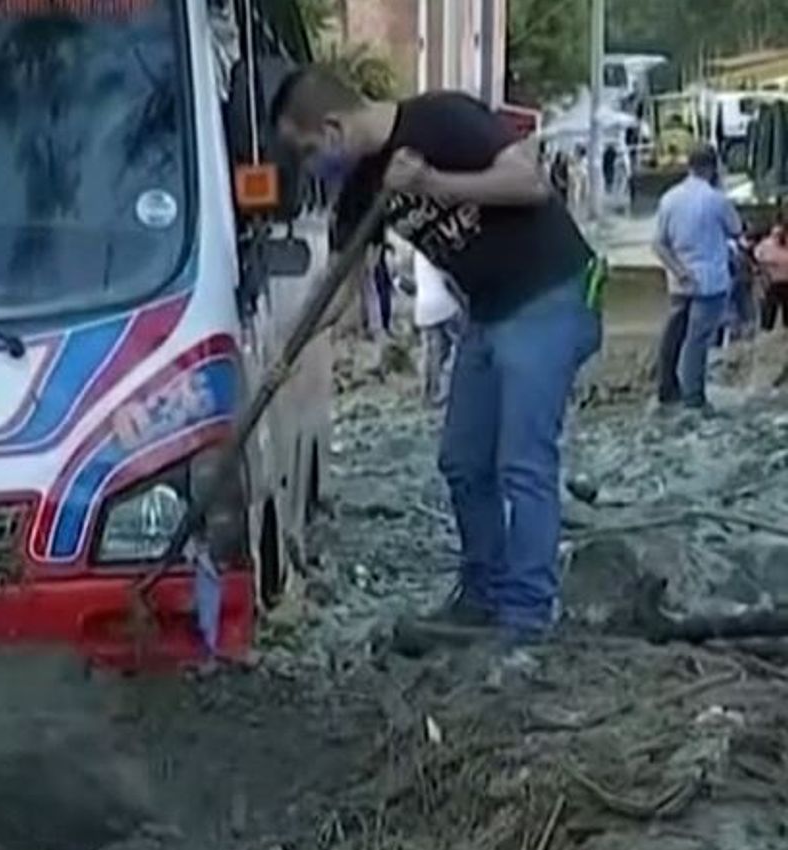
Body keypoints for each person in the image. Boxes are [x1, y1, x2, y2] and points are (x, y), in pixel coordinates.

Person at [272, 69, 601, 644]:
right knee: (463, 461)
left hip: (548, 294)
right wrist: (286, 347)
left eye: (307, 152)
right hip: (489, 311)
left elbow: (528, 183)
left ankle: (526, 617)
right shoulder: (358, 190)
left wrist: (434, 183)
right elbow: (343, 288)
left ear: (331, 128)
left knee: (523, 463)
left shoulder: (440, 119)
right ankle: (482, 594)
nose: (310, 166)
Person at [651, 145, 743, 409]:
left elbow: (658, 244)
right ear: (712, 168)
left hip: (680, 281)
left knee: (674, 335)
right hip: (710, 281)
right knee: (697, 341)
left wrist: (679, 270)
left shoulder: (669, 198)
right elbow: (736, 230)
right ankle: (694, 399)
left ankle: (666, 390)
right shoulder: (716, 200)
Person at [412, 250, 463, 407]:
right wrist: (461, 300)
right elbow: (448, 279)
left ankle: (429, 394)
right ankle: (447, 391)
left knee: (431, 356)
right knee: (459, 348)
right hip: (446, 306)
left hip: (425, 308)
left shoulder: (418, 253)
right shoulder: (439, 252)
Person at [756, 220, 788, 332]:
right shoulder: (766, 244)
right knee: (769, 308)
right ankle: (767, 328)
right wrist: (767, 263)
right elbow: (757, 256)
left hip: (785, 280)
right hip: (771, 281)